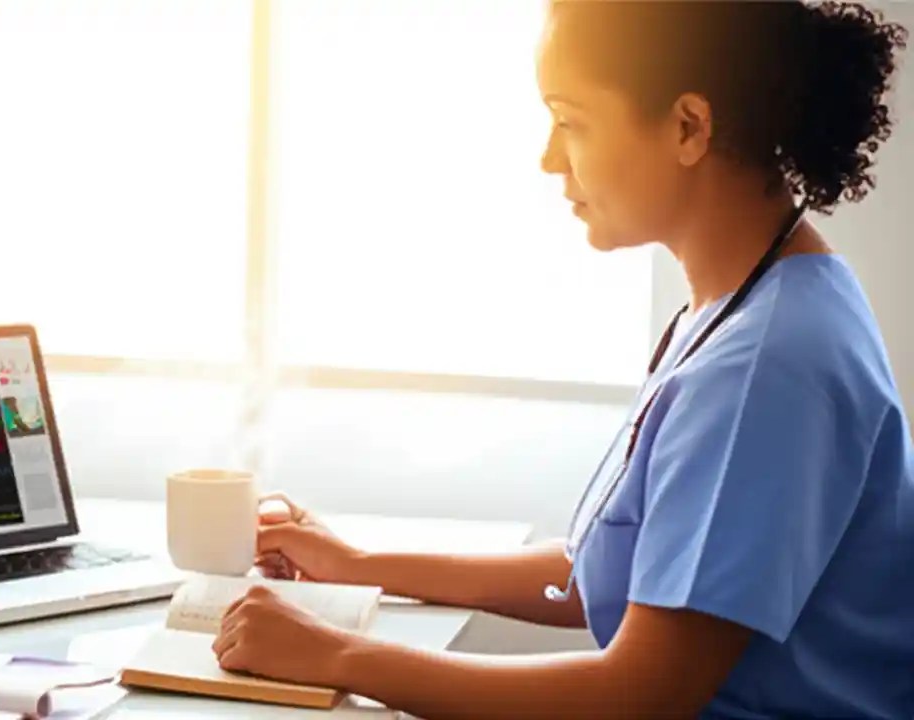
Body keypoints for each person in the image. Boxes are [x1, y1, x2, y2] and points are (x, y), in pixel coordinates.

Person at [209, 2, 913, 718]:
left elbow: (640, 695)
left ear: (688, 127)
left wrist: (335, 657)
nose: (549, 157)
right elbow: (604, 573)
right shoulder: (744, 304)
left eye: (570, 120)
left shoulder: (765, 367)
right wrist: (359, 567)